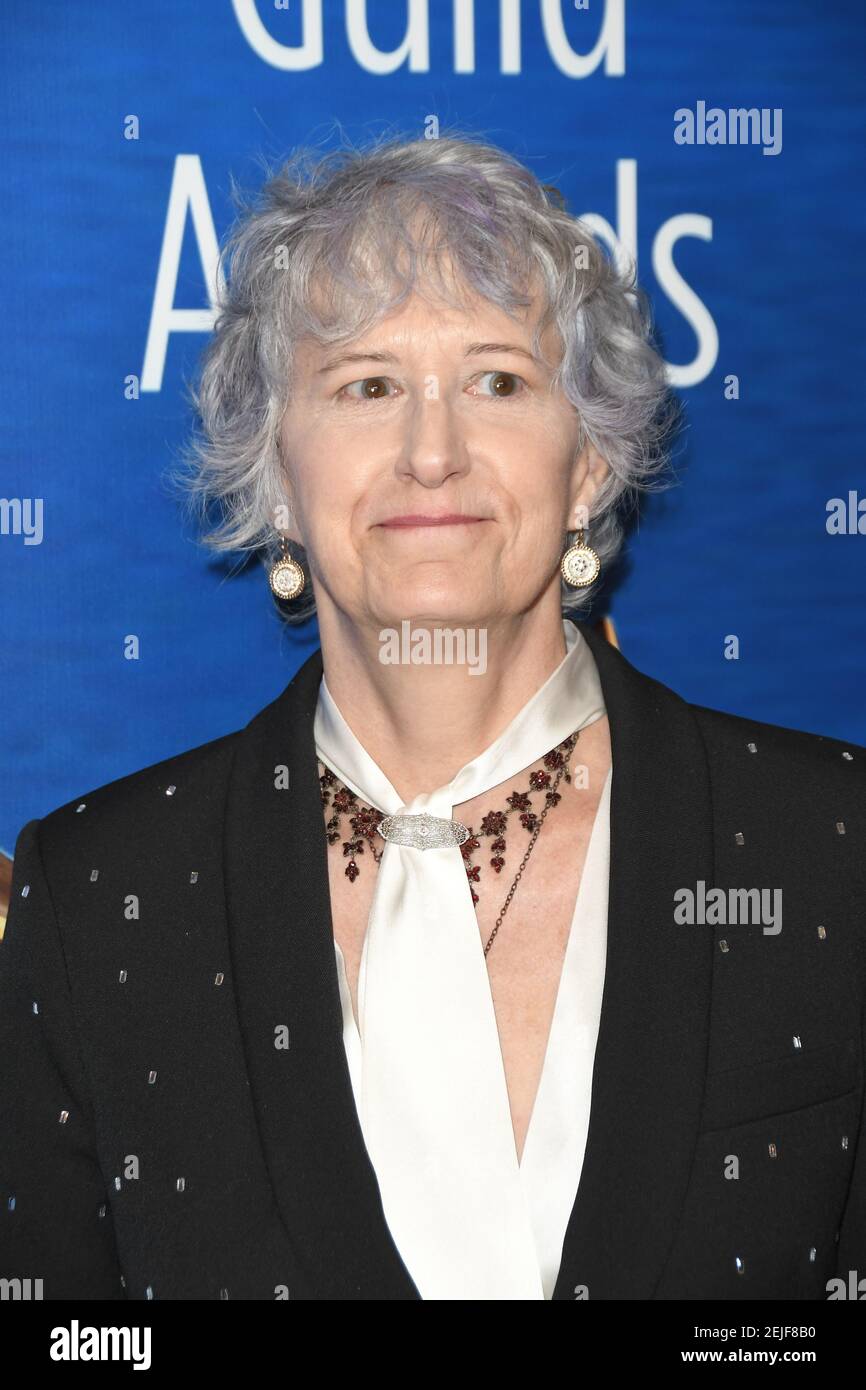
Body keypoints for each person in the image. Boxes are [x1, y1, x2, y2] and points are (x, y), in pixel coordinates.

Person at [1, 133, 864, 1301]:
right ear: (272, 475)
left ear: (591, 465)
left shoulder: (828, 851)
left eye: (496, 381)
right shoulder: (98, 900)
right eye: (366, 386)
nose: (431, 453)